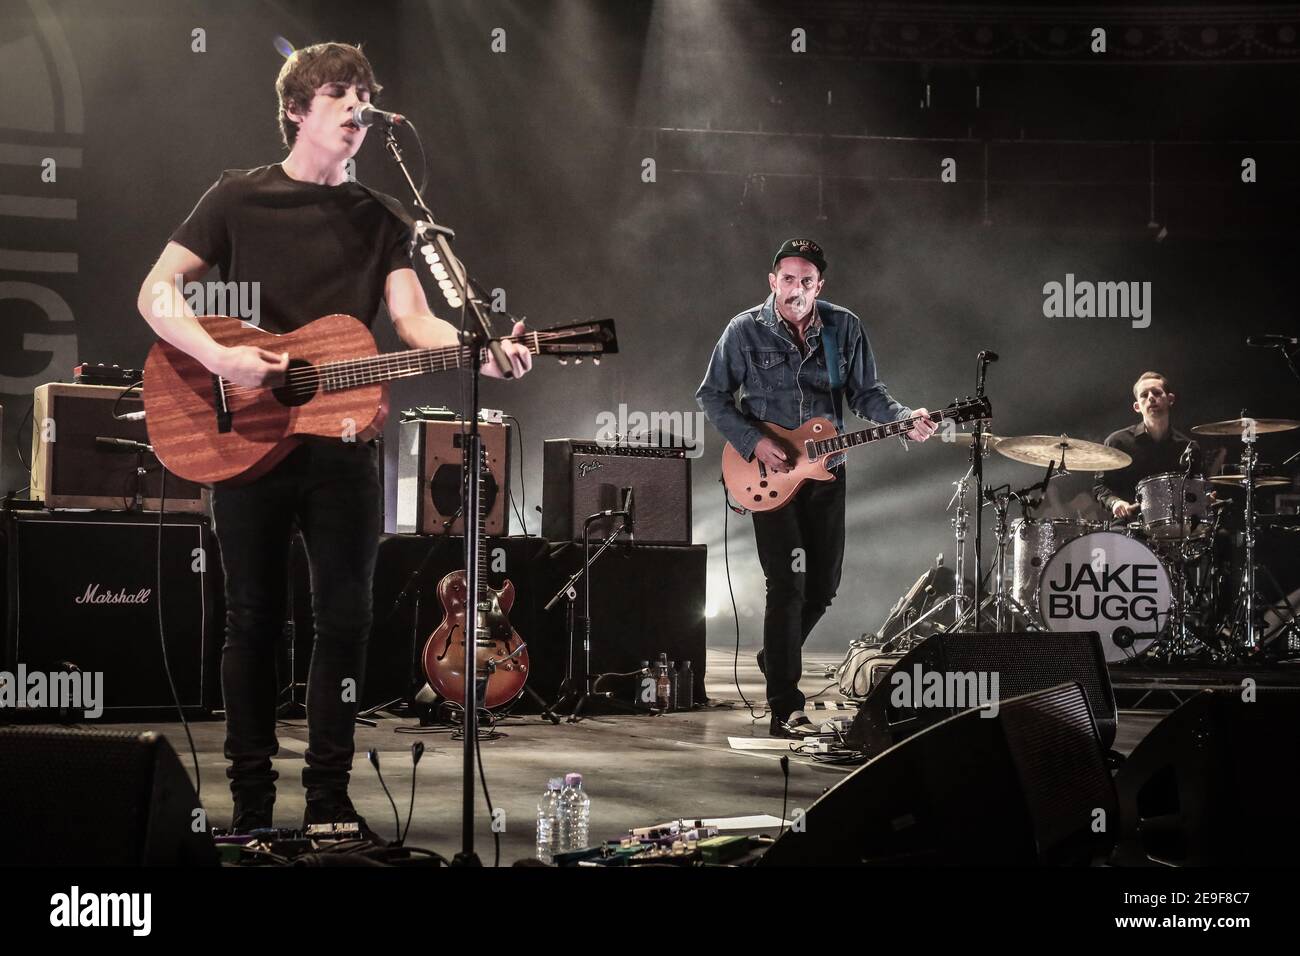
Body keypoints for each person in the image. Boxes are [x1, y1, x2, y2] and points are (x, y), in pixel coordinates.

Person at [136, 42, 532, 835]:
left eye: (365, 94)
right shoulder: (236, 197)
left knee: (344, 622)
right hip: (240, 433)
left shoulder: (383, 216)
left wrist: (476, 345)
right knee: (251, 618)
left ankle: (327, 800)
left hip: (344, 442)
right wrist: (221, 358)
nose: (358, 107)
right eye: (340, 94)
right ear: (296, 109)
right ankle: (249, 802)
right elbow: (155, 290)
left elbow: (412, 320)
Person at [696, 239, 935, 738]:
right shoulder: (743, 330)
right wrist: (753, 442)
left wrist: (902, 418)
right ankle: (786, 705)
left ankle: (775, 655)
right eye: (788, 279)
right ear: (772, 281)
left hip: (827, 471)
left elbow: (867, 393)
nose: (797, 290)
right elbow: (713, 396)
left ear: (818, 285)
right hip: (768, 474)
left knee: (823, 587)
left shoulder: (844, 327)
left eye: (807, 281)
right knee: (787, 585)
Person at [1093, 371, 1199, 520]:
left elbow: (1197, 490)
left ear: (1170, 399)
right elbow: (1100, 487)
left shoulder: (1188, 447)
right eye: (1144, 395)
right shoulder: (1117, 442)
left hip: (1176, 525)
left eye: (1156, 393)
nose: (1151, 398)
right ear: (1137, 406)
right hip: (1128, 524)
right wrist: (1115, 503)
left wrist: (1203, 498)